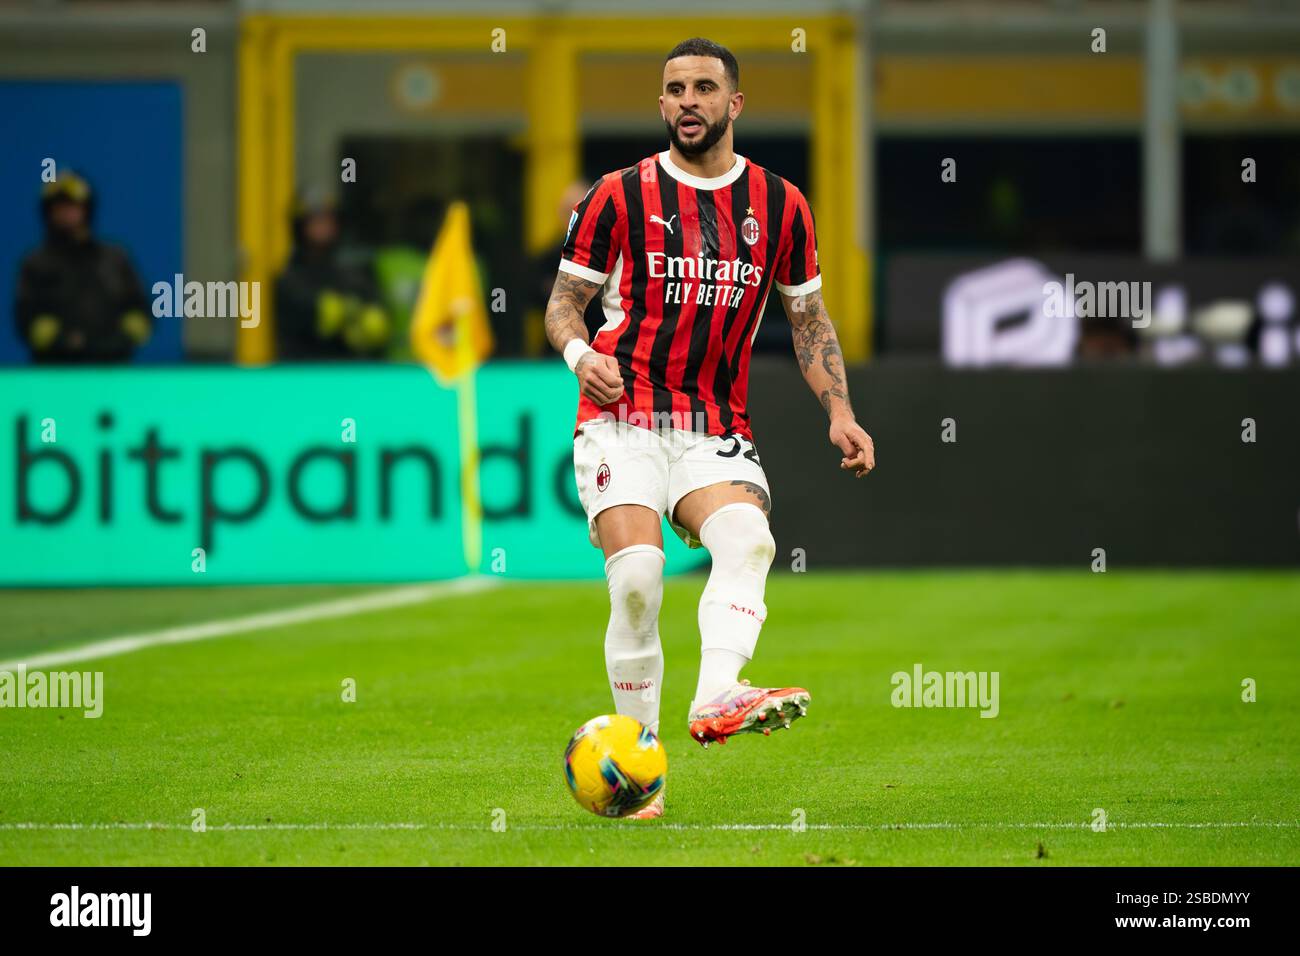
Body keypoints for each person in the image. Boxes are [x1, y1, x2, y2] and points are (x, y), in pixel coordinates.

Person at [543, 38, 875, 819]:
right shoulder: (618, 195)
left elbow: (809, 317)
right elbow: (562, 302)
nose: (687, 100)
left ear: (735, 103)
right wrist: (579, 353)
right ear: (661, 106)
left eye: (703, 88)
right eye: (673, 90)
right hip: (621, 418)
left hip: (711, 423)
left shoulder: (781, 204)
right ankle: (641, 766)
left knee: (751, 540)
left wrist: (841, 412)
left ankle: (718, 693)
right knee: (637, 581)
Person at [15, 172, 151, 363]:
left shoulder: (115, 258)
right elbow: (27, 319)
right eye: (59, 207)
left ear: (87, 209)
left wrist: (118, 339)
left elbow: (140, 312)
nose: (66, 213)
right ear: (48, 213)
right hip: (54, 372)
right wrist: (63, 341)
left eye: (72, 206)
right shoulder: (35, 263)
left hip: (114, 369)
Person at [274, 190, 390, 360]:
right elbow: (319, 316)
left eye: (328, 220)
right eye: (316, 221)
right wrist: (351, 313)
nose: (324, 227)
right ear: (300, 226)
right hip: (302, 371)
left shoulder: (354, 271)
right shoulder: (290, 278)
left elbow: (378, 323)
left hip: (348, 371)